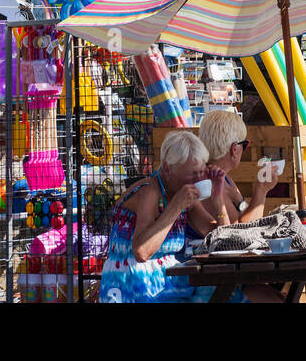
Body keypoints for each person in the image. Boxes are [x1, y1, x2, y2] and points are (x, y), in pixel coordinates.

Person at [98, 130, 224, 303]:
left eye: (202, 171)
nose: (199, 179)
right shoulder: (149, 191)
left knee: (233, 293)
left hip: (167, 282)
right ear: (167, 168)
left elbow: (221, 242)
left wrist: (218, 200)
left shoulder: (182, 195)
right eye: (192, 173)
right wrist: (176, 207)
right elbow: (141, 252)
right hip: (132, 285)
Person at [198, 108, 281, 223]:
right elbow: (242, 230)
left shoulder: (221, 176)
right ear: (234, 149)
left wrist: (239, 200)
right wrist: (261, 191)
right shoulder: (211, 181)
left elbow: (244, 216)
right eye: (245, 145)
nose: (244, 149)